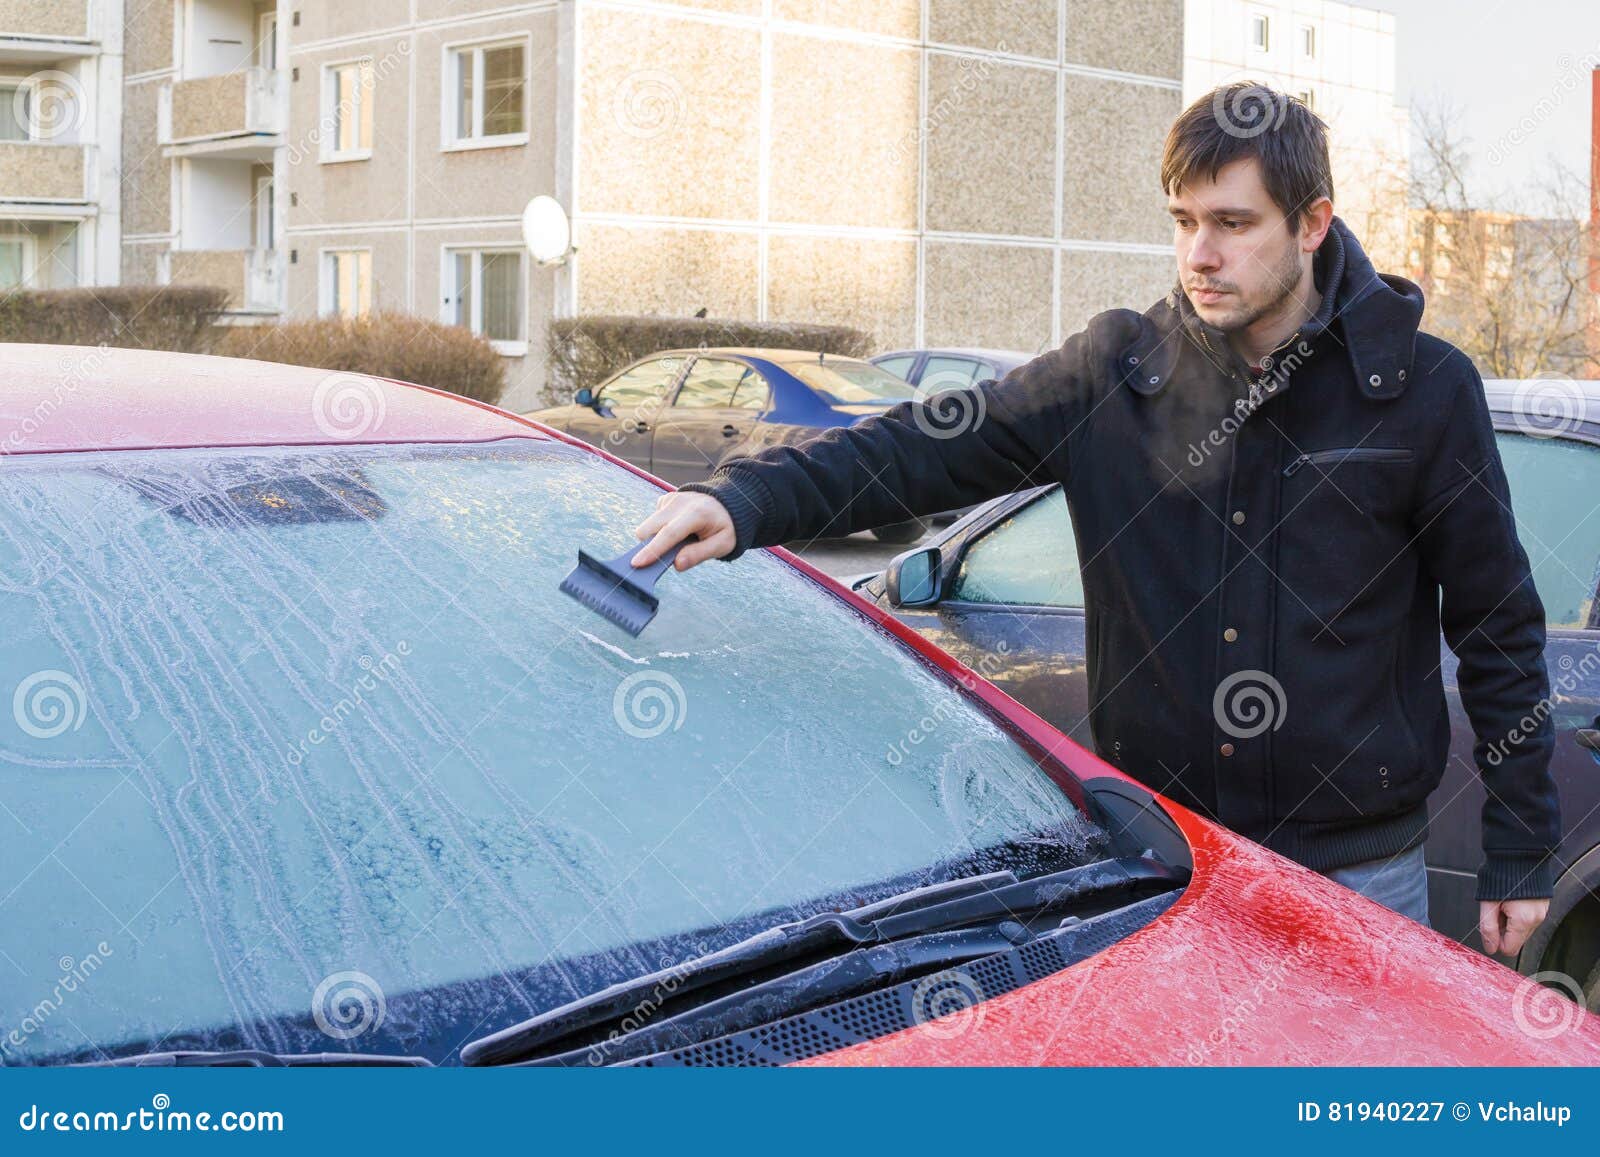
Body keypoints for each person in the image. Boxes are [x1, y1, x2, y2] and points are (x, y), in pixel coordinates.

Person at [629, 82, 1558, 958]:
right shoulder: (1114, 373)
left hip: (1362, 879)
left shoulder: (1424, 390)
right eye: (1185, 223)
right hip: (1166, 868)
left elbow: (1497, 624)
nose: (1200, 254)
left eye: (1233, 224)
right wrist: (747, 500)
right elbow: (922, 446)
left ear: (1313, 223)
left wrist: (1519, 843)